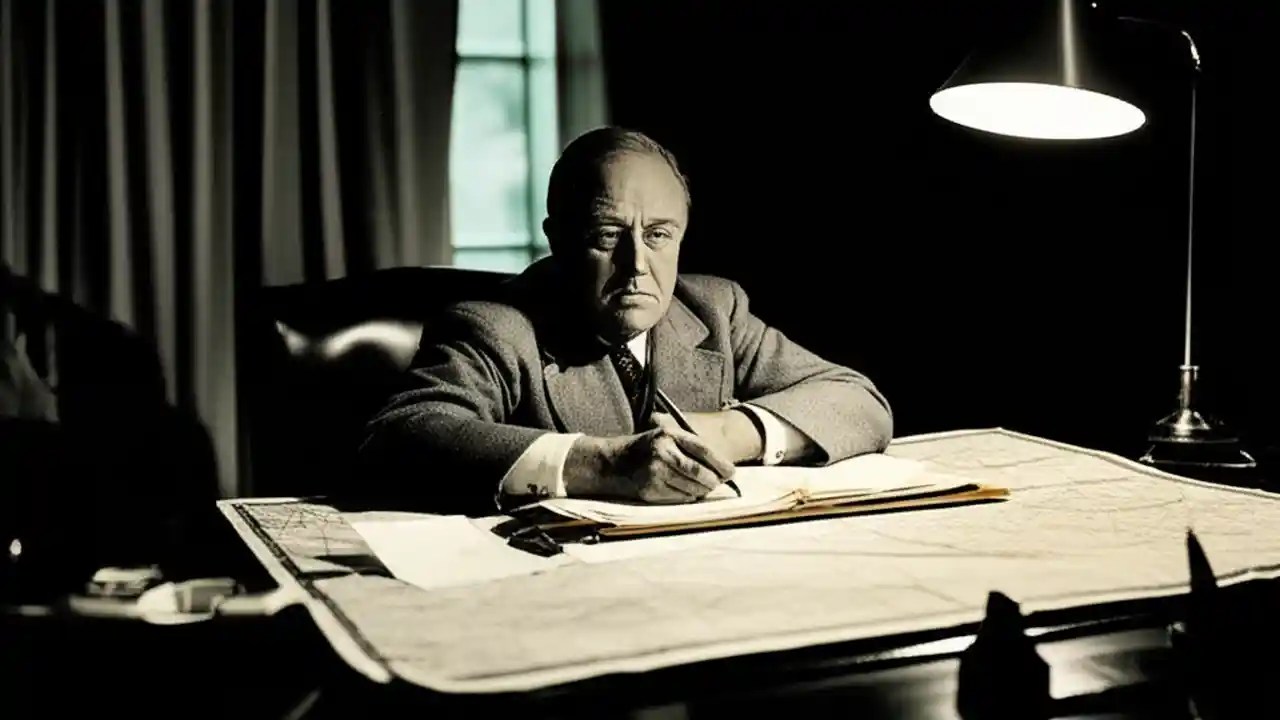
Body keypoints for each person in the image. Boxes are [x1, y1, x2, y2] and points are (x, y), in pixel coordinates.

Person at [358, 127, 892, 514]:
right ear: (558, 239)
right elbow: (400, 440)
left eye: (659, 235)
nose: (638, 265)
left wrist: (735, 432)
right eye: (608, 236)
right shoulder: (495, 326)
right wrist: (601, 465)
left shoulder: (713, 310)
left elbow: (859, 401)